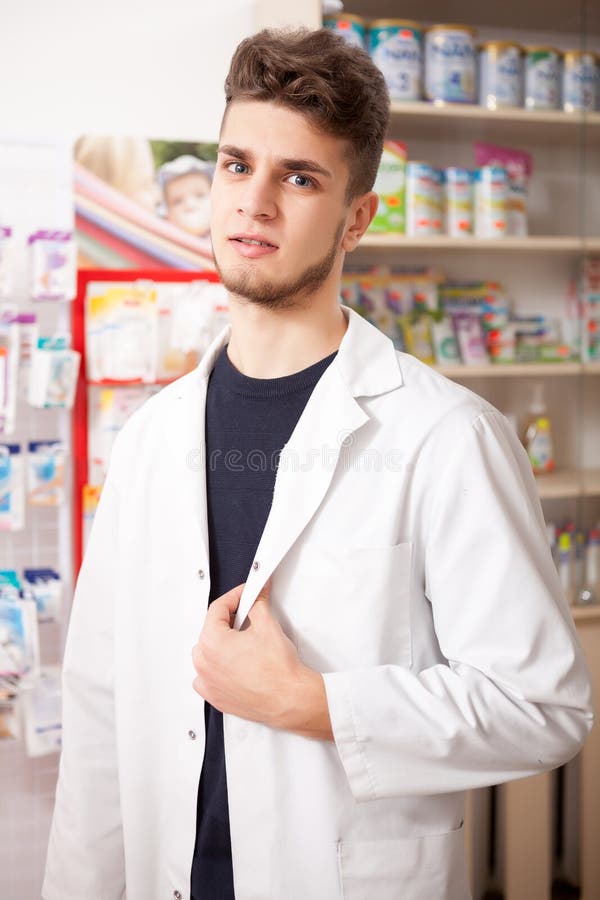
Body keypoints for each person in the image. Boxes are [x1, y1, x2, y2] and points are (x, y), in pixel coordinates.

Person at [44, 28, 593, 900]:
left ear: (357, 218)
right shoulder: (151, 441)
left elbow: (545, 708)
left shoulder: (448, 437)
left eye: (299, 178)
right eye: (236, 165)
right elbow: (102, 708)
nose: (253, 202)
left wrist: (315, 704)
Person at [158, 155, 214, 236]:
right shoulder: (166, 242)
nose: (190, 205)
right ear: (168, 216)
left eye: (199, 195)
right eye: (178, 202)